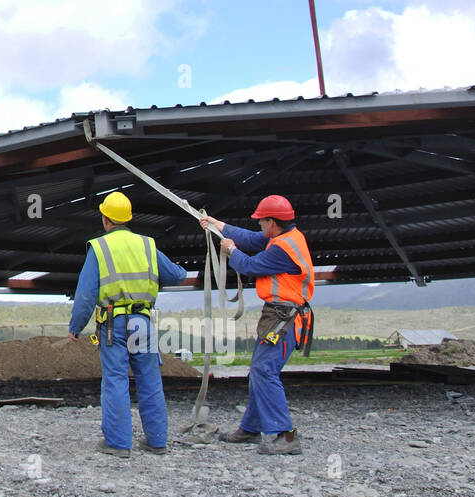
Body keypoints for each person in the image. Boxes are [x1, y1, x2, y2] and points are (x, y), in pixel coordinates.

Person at [68, 191, 188, 458]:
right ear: (129, 219)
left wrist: (76, 327)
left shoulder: (99, 248)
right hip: (143, 321)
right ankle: (157, 441)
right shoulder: (147, 245)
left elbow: (86, 295)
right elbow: (177, 275)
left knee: (115, 380)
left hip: (114, 324)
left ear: (105, 219)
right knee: (150, 380)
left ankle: (119, 444)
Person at [200, 194, 314, 455]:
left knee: (264, 372)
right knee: (260, 371)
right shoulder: (286, 237)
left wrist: (230, 251)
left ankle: (285, 436)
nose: (260, 225)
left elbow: (251, 265)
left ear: (272, 222)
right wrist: (219, 226)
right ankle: (251, 428)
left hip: (282, 319)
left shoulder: (281, 249)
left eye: (262, 221)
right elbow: (252, 239)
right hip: (280, 317)